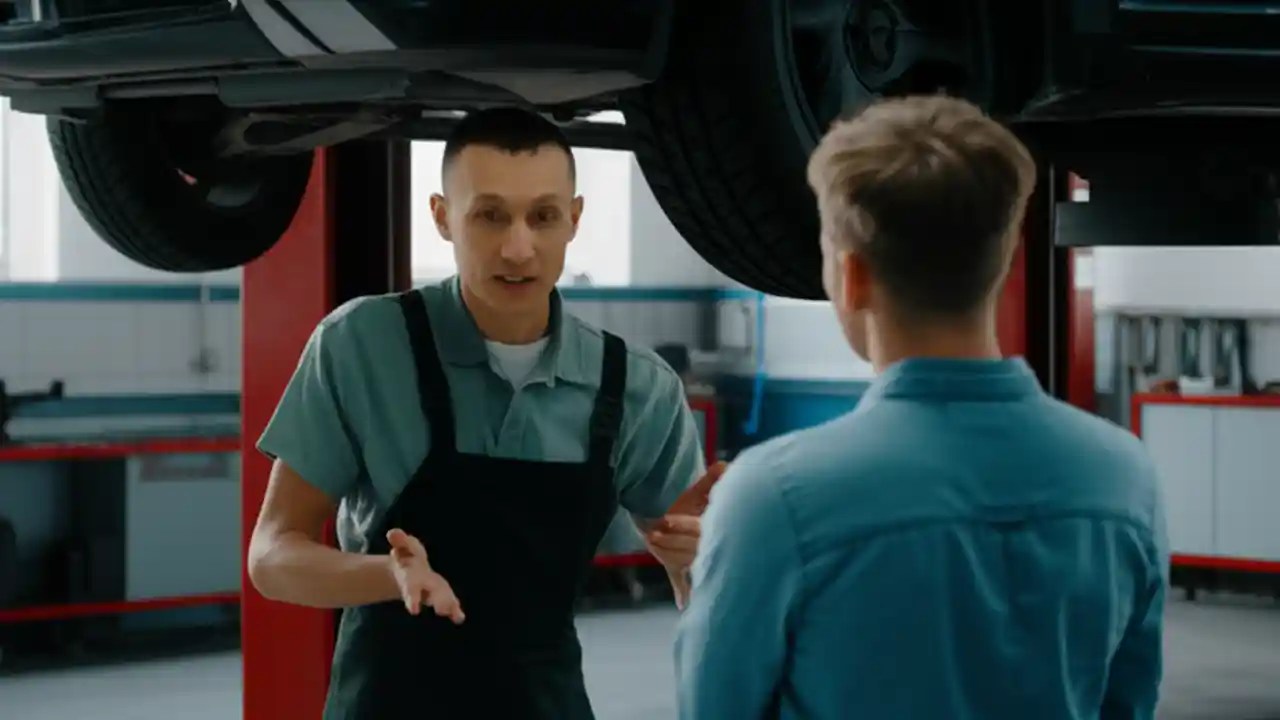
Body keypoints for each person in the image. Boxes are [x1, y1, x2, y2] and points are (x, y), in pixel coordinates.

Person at [675, 95, 1169, 719]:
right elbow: (1128, 702)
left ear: (852, 276)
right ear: (1004, 258)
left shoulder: (776, 497)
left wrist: (718, 568)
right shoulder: (1124, 476)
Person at [246, 106, 723, 720]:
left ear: (574, 219)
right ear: (443, 217)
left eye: (543, 216)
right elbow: (271, 557)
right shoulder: (362, 345)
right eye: (490, 215)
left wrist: (703, 557)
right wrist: (387, 576)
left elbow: (697, 582)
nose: (518, 249)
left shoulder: (637, 386)